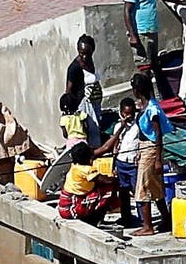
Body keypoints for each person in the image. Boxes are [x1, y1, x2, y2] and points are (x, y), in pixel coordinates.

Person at [124, 0, 173, 98]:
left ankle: (159, 98)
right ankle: (149, 100)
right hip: (140, 31)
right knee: (144, 68)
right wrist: (132, 35)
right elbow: (127, 11)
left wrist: (180, 2)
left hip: (152, 29)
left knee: (153, 64)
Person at [130, 71, 173, 236]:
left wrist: (157, 159)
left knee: (143, 187)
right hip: (144, 148)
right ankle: (166, 219)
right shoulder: (146, 105)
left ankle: (147, 226)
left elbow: (158, 134)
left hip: (150, 150)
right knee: (156, 188)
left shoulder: (152, 109)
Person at [57, 142, 118, 224]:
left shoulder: (75, 164)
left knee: (99, 187)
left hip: (64, 206)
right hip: (71, 208)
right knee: (108, 189)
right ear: (87, 157)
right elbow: (107, 180)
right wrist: (115, 177)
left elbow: (105, 148)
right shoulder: (86, 170)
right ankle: (94, 220)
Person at [65, 34, 104, 147]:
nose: (85, 56)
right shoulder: (74, 68)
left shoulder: (90, 62)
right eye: (82, 53)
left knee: (96, 130)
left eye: (88, 53)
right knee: (90, 133)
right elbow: (69, 90)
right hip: (84, 106)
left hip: (95, 103)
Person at [112, 97, 140, 227]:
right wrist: (114, 165)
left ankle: (143, 218)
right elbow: (115, 145)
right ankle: (126, 217)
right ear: (121, 112)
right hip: (121, 162)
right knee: (123, 191)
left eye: (130, 113)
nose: (127, 116)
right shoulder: (118, 126)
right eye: (125, 113)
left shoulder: (138, 127)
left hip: (133, 163)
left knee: (137, 191)